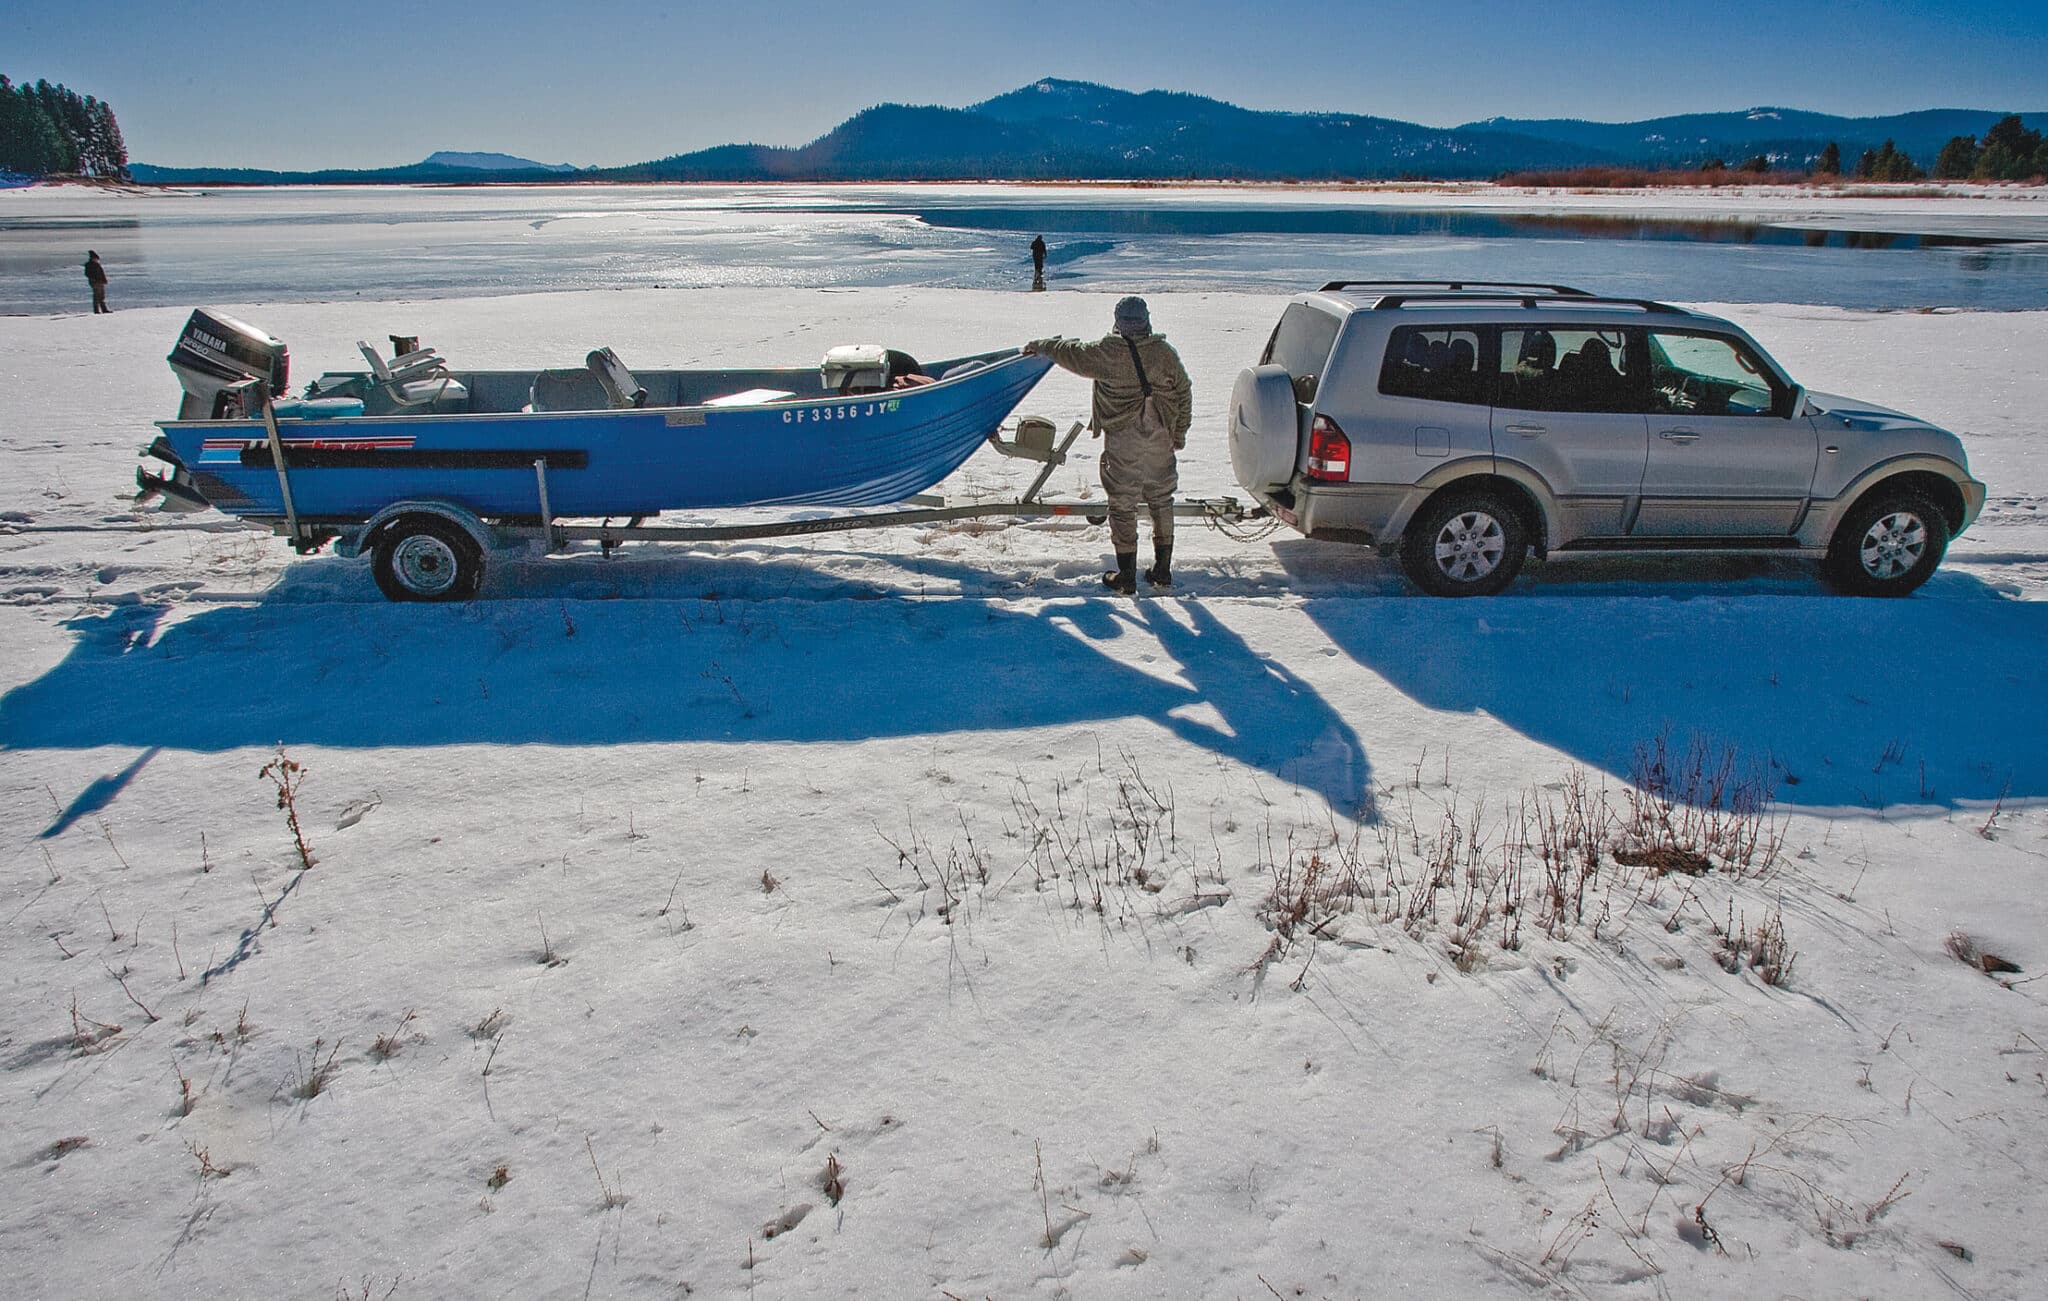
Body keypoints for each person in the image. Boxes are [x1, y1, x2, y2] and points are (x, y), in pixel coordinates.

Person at [1023, 296, 1192, 593]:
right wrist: (1179, 432)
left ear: (1118, 321)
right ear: (1146, 320)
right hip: (1160, 433)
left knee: (1123, 503)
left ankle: (1126, 576)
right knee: (1162, 499)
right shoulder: (1164, 353)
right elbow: (1184, 390)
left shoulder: (1107, 353)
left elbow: (1071, 353)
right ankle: (1162, 571)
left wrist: (1042, 345)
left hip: (1124, 435)